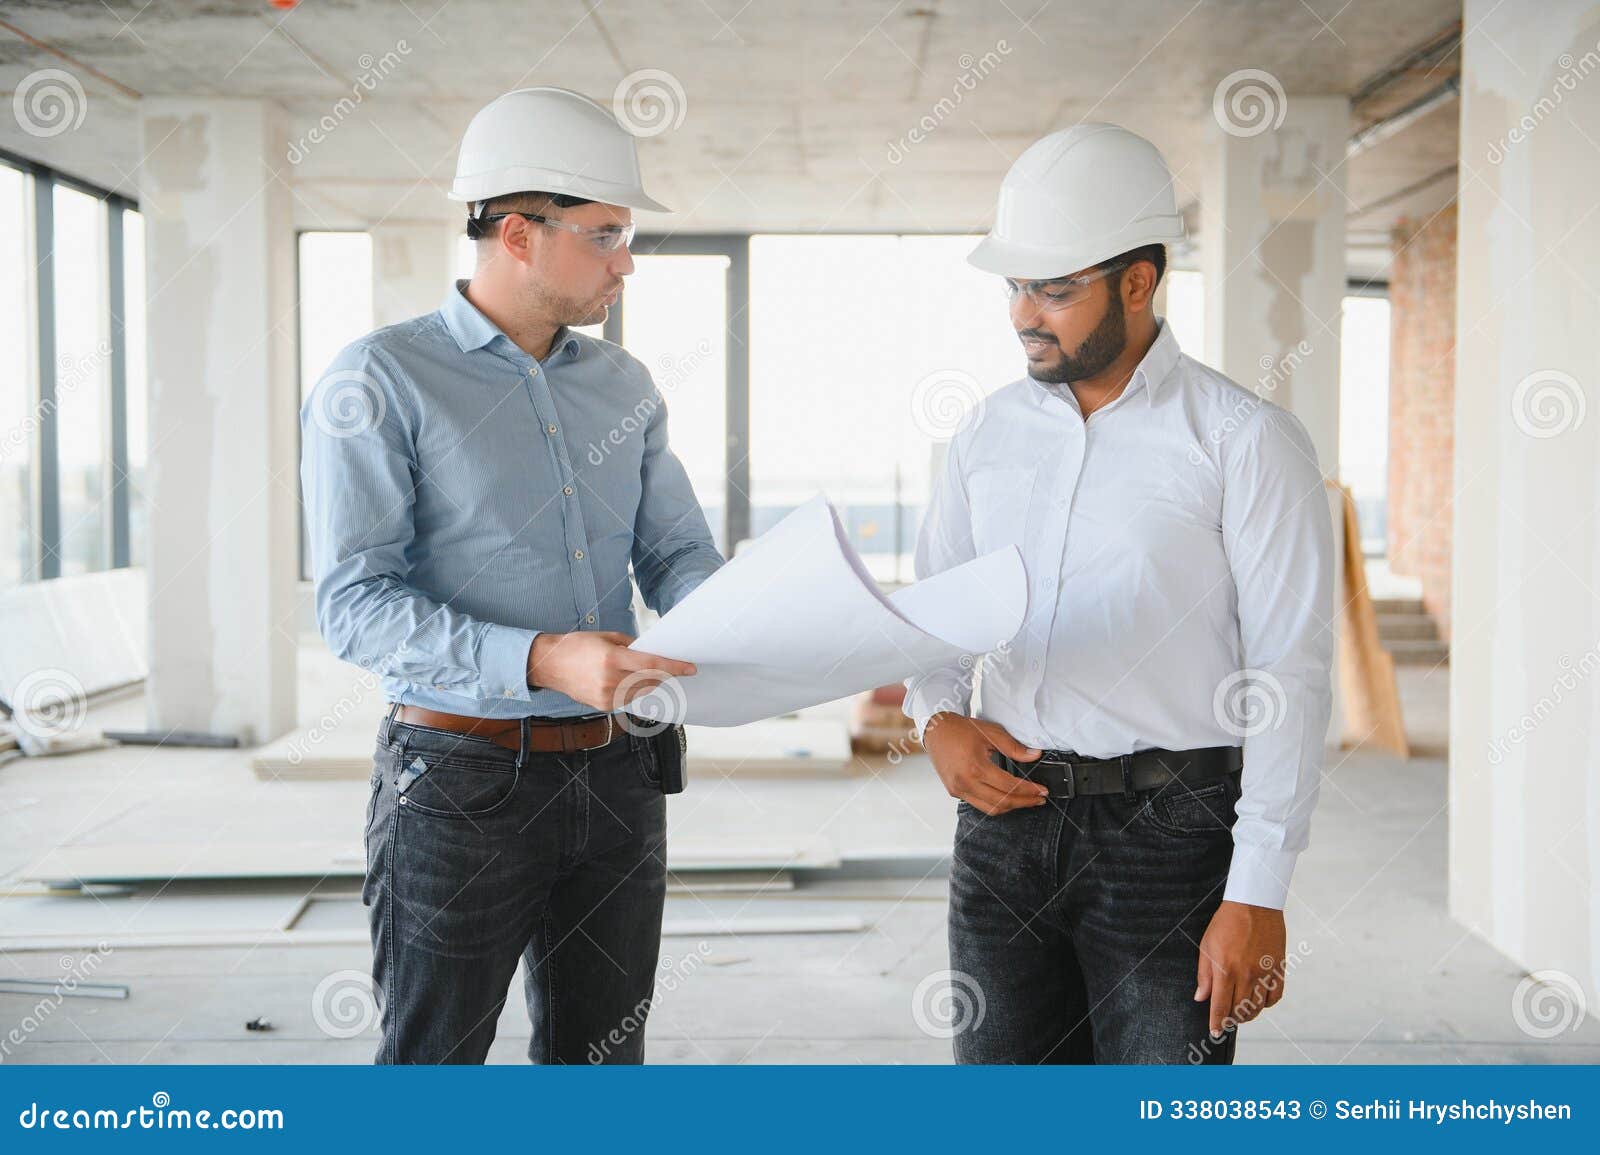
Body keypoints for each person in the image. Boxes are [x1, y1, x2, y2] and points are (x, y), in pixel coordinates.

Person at [299, 87, 723, 1064]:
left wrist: (750, 625)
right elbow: (355, 605)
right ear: (520, 234)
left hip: (619, 774)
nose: (625, 261)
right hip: (459, 784)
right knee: (436, 1064)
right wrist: (539, 658)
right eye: (606, 234)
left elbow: (675, 555)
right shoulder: (382, 380)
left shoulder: (624, 385)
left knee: (601, 1064)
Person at [905, 123, 1334, 1064]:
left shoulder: (1244, 439)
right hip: (1003, 833)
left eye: (1055, 289)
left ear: (1138, 282)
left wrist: (1257, 889)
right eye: (1015, 286)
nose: (1025, 313)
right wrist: (937, 715)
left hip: (1169, 842)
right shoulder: (985, 435)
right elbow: (934, 620)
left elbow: (1289, 673)